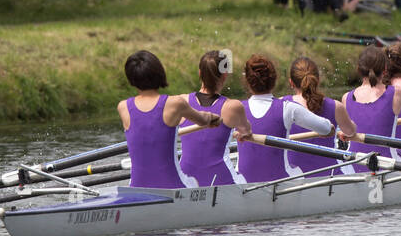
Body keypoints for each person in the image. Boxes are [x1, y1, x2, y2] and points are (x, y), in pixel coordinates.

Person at [117, 50, 238, 189]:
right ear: (159, 73)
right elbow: (203, 120)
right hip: (174, 186)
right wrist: (211, 118)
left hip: (136, 187)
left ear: (131, 79)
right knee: (196, 184)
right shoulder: (175, 103)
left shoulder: (123, 107)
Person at [235, 54, 339, 183]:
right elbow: (326, 129)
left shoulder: (236, 109)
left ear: (248, 82)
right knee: (298, 171)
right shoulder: (287, 108)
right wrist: (330, 129)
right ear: (274, 81)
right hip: (281, 182)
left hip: (243, 184)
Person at [343, 46, 401, 163]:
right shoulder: (398, 93)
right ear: (385, 69)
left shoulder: (346, 98)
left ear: (358, 69)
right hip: (386, 164)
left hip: (354, 162)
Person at [179, 50, 246, 186]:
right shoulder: (232, 106)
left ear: (199, 73)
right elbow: (246, 133)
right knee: (244, 180)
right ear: (224, 75)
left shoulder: (180, 102)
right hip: (222, 181)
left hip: (186, 181)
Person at [286, 57, 360, 175]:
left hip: (293, 178)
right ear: (318, 80)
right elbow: (351, 132)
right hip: (329, 175)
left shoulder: (281, 106)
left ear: (291, 83)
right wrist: (345, 130)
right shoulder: (336, 106)